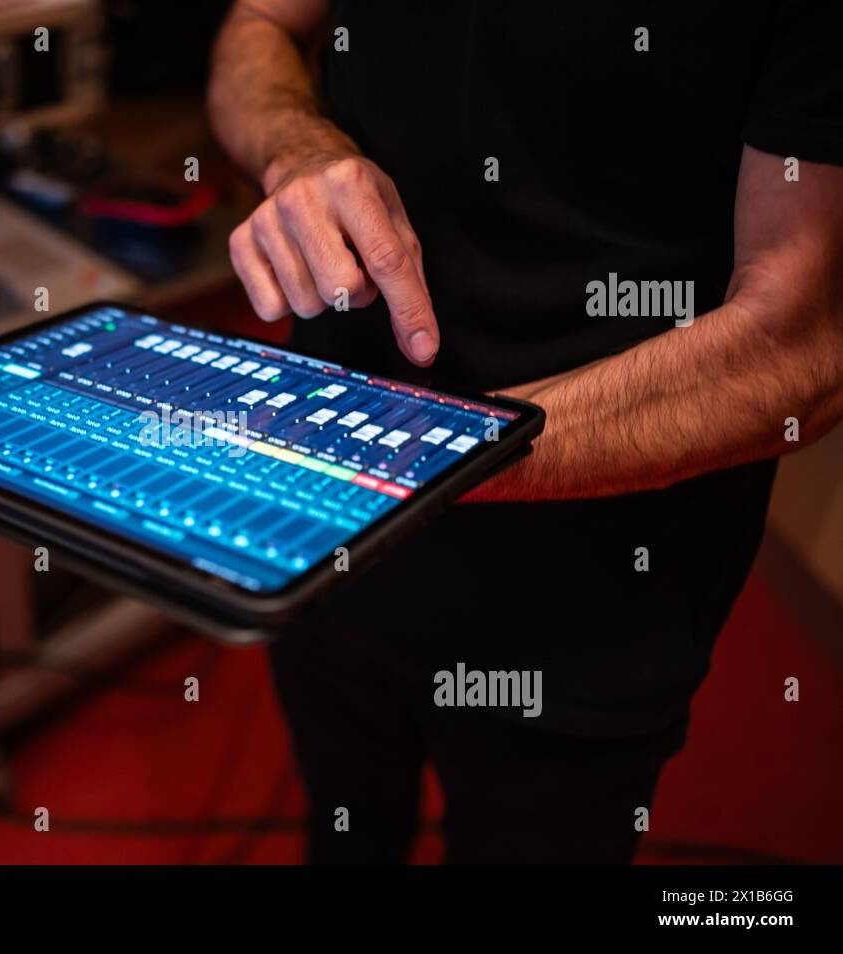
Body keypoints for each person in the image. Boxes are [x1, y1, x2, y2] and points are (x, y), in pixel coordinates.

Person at [208, 0, 843, 863]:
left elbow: (801, 336)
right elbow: (257, 24)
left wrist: (414, 454)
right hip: (325, 523)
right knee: (346, 820)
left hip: (594, 587)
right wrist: (301, 148)